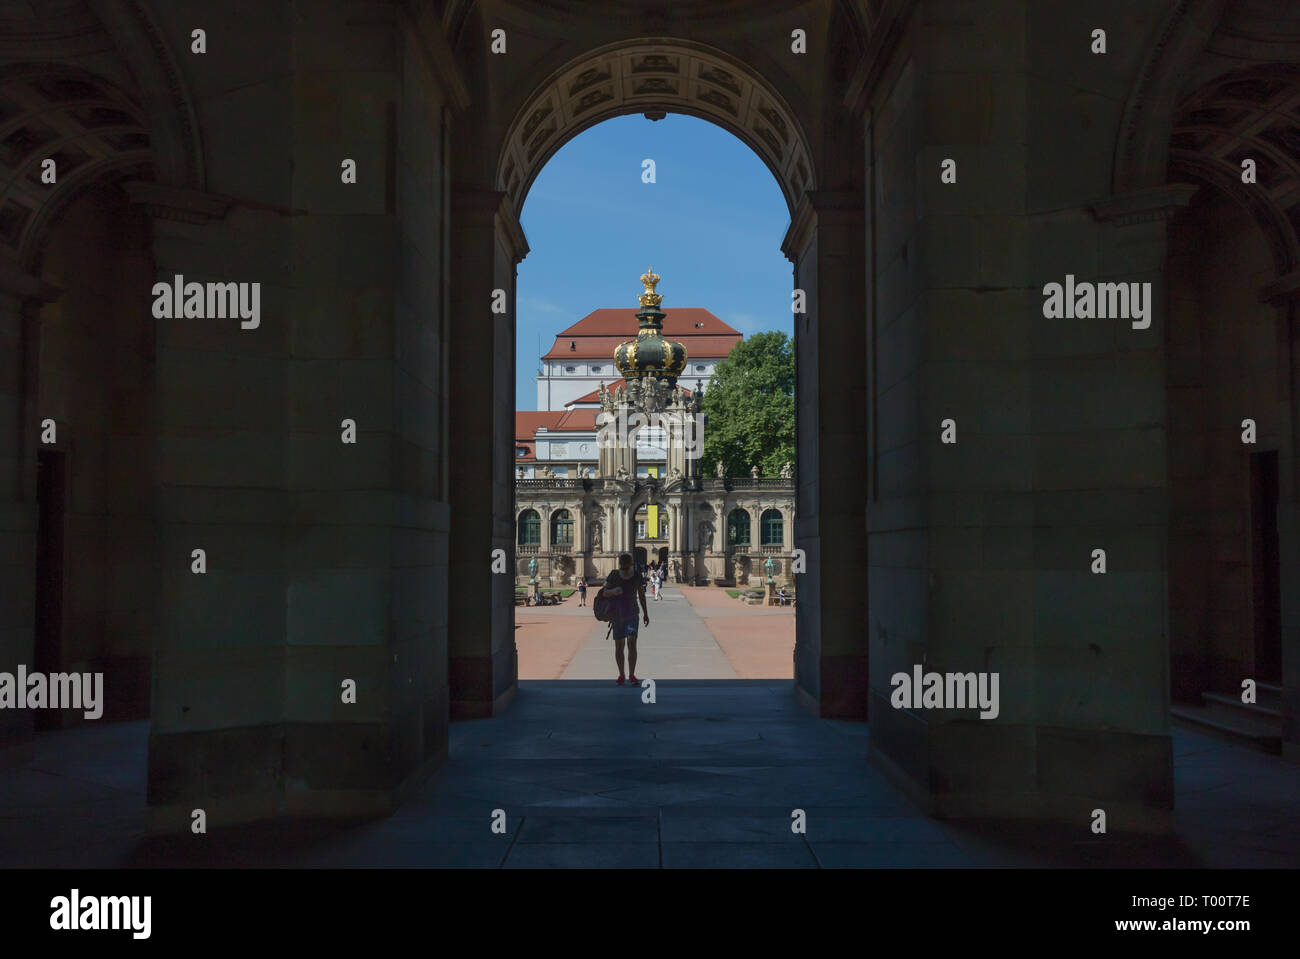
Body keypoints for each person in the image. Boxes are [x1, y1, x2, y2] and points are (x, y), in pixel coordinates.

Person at [599, 552, 648, 685]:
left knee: (632, 643)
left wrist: (645, 613)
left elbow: (642, 595)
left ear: (632, 565)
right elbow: (604, 592)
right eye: (623, 568)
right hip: (617, 615)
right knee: (619, 645)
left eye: (627, 568)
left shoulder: (637, 576)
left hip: (632, 613)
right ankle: (621, 674)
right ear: (619, 566)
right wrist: (613, 591)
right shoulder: (614, 575)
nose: (625, 571)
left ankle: (632, 674)